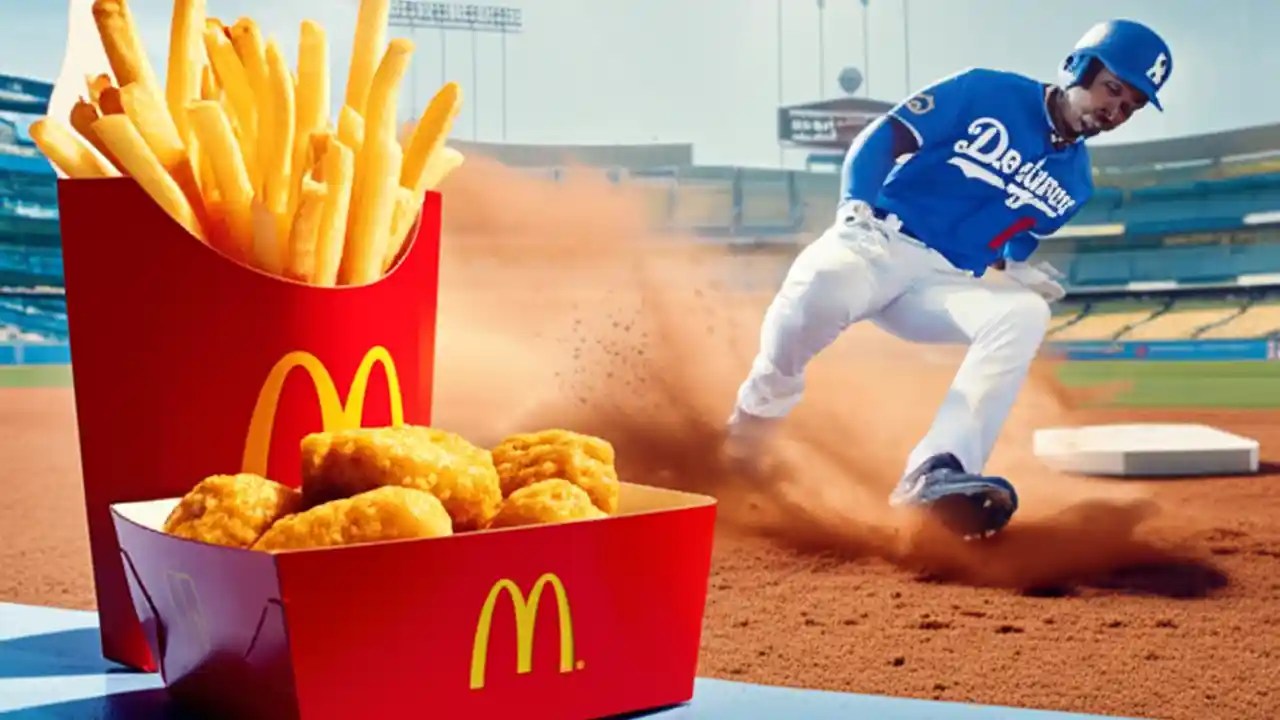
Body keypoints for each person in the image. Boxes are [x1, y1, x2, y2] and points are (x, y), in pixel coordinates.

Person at [724, 19, 1173, 539]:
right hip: (876, 243)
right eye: (1112, 88)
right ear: (1079, 66)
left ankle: (936, 471)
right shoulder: (988, 89)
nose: (1114, 109)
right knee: (821, 290)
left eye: (1130, 105)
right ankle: (746, 436)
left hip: (941, 284)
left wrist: (1015, 268)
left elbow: (1015, 236)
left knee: (1025, 312)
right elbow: (885, 135)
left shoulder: (1076, 183)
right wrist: (855, 208)